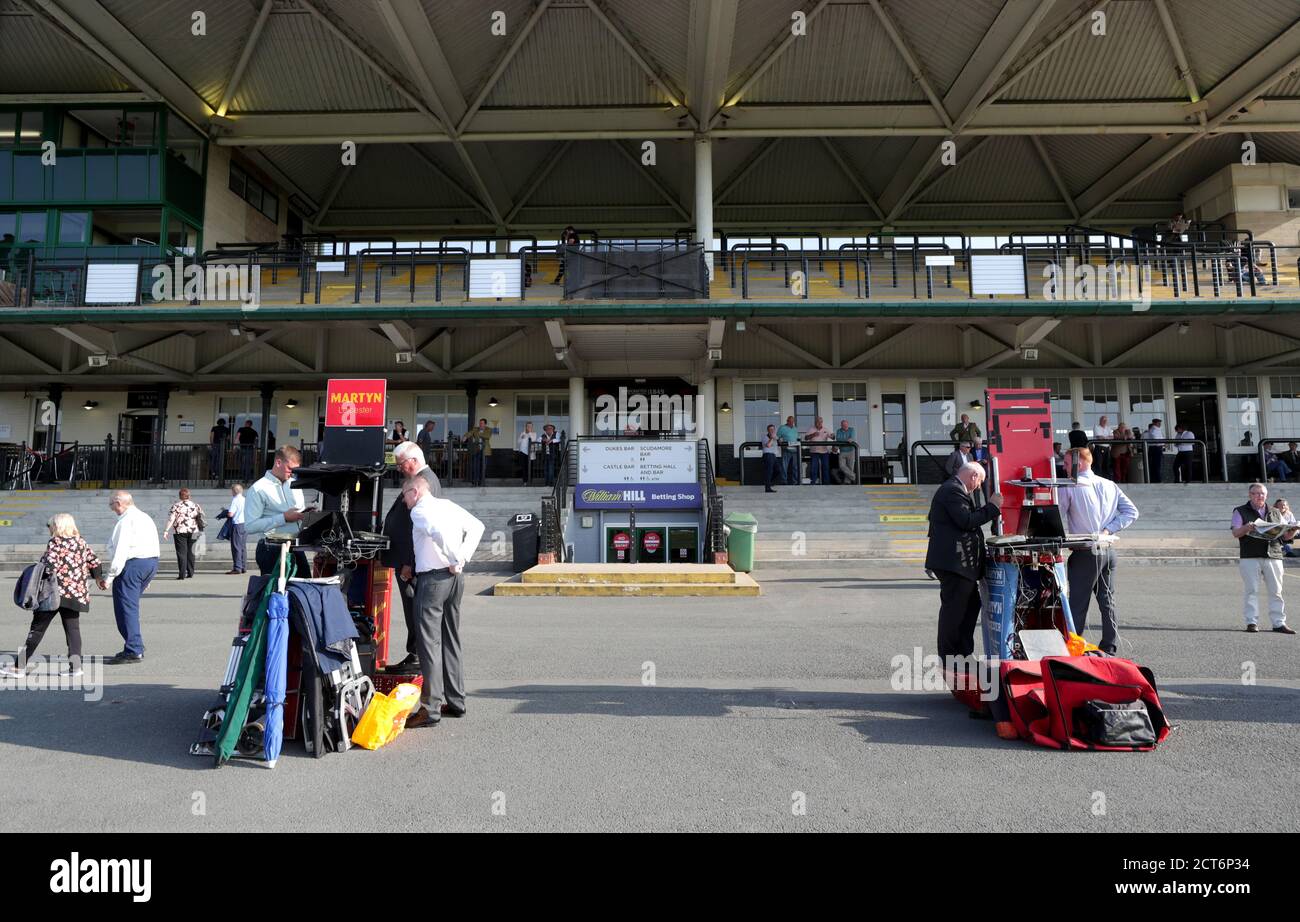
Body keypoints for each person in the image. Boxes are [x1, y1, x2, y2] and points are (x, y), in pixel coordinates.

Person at [402, 475, 485, 728]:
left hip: (434, 578)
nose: (404, 500)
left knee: (429, 642)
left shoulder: (418, 511)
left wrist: (453, 558)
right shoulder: (448, 504)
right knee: (451, 637)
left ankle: (431, 707)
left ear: (414, 492)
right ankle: (457, 700)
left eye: (404, 494)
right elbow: (477, 526)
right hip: (455, 578)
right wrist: (461, 559)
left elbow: (436, 533)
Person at [1056, 447, 1139, 654]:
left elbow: (1057, 516)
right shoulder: (1109, 484)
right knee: (1107, 601)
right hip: (1108, 549)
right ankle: (1109, 645)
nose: (1064, 467)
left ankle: (1072, 647)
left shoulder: (1071, 485)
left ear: (1079, 463)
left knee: (1077, 603)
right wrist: (1108, 528)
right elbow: (1132, 512)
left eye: (1067, 463)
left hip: (1085, 551)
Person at [0, 513, 101, 679]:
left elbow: (49, 566)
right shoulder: (81, 542)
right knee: (73, 630)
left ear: (57, 526)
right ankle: (76, 668)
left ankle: (19, 668)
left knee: (37, 629)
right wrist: (98, 579)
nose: (49, 528)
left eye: (51, 525)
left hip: (53, 593)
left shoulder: (56, 542)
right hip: (76, 594)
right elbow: (94, 562)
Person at [925, 462, 1003, 661]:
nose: (978, 487)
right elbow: (966, 520)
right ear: (974, 476)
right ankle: (952, 656)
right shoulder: (952, 490)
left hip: (958, 564)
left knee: (969, 607)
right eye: (980, 482)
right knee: (956, 612)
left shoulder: (953, 489)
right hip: (955, 564)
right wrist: (992, 507)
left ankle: (962, 654)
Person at [381, 441, 444, 674]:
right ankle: (415, 652)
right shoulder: (419, 480)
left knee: (415, 608)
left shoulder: (425, 482)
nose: (398, 469)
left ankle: (417, 654)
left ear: (414, 461)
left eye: (401, 464)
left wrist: (409, 563)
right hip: (408, 559)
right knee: (412, 608)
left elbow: (416, 529)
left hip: (412, 562)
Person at [1230, 483, 1297, 634]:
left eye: (1262, 494)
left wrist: (1292, 531)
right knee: (1251, 590)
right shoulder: (1240, 511)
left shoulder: (1275, 511)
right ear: (1250, 495)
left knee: (1276, 591)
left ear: (1266, 496)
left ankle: (1279, 623)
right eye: (1256, 493)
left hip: (1273, 555)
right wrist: (1246, 528)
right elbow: (1235, 533)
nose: (1259, 496)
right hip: (1250, 555)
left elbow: (1285, 536)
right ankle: (1252, 622)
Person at [101, 491, 159, 665]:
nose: (112, 509)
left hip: (132, 564)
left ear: (119, 503)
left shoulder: (126, 521)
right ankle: (135, 644)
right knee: (130, 606)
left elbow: (120, 552)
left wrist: (109, 577)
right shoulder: (145, 517)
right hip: (150, 562)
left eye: (111, 505)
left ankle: (134, 648)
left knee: (125, 608)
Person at [244, 446, 310, 576]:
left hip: (295, 546)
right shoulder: (258, 489)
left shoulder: (295, 485)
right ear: (278, 462)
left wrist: (307, 514)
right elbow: (250, 526)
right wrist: (284, 517)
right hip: (271, 548)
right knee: (275, 592)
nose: (292, 473)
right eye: (290, 469)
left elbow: (298, 513)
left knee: (305, 590)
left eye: (295, 470)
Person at [162, 487, 203, 580]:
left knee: (181, 553)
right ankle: (191, 572)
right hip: (194, 531)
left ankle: (182, 574)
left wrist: (166, 530)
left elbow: (171, 519)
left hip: (180, 531)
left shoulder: (176, 506)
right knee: (191, 552)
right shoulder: (196, 505)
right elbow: (200, 517)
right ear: (189, 496)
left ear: (180, 496)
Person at [220, 483, 247, 575]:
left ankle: (237, 567)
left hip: (237, 524)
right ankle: (243, 566)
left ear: (233, 491)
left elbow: (231, 514)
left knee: (236, 546)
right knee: (243, 546)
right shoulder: (245, 499)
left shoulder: (235, 500)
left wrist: (225, 512)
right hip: (245, 524)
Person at [803, 417, 833, 485]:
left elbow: (832, 437)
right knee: (814, 468)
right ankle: (813, 482)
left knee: (825, 467)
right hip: (814, 452)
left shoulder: (826, 429)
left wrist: (833, 436)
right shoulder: (811, 429)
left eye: (820, 422)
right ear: (815, 422)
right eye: (817, 422)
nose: (819, 423)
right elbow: (806, 438)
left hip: (824, 452)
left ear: (822, 422)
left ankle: (826, 483)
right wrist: (813, 435)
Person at [466, 418, 492, 487]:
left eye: (482, 423)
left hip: (485, 451)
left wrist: (479, 433)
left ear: (485, 424)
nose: (480, 424)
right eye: (480, 423)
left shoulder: (488, 429)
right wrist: (465, 436)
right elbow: (470, 433)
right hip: (477, 450)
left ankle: (481, 481)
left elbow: (487, 436)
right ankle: (475, 481)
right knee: (475, 466)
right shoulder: (476, 429)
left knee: (483, 467)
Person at [776, 415, 800, 485]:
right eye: (790, 421)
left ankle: (795, 482)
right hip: (786, 449)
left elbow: (797, 438)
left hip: (795, 450)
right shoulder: (782, 428)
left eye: (793, 421)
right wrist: (779, 440)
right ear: (787, 421)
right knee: (784, 467)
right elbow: (777, 437)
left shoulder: (795, 428)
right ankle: (784, 481)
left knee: (795, 467)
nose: (792, 423)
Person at [835, 419, 858, 485]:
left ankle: (847, 482)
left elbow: (852, 438)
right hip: (842, 451)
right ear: (841, 425)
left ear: (848, 425)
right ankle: (854, 476)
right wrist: (847, 440)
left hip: (851, 451)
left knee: (850, 467)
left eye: (846, 425)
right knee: (842, 466)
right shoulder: (838, 431)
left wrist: (846, 440)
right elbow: (838, 439)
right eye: (843, 425)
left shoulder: (852, 429)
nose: (845, 426)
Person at [762, 424, 783, 493]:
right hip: (768, 455)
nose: (772, 431)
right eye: (770, 429)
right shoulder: (765, 437)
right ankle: (767, 488)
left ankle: (769, 482)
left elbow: (780, 442)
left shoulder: (775, 436)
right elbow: (768, 445)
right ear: (768, 430)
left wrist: (778, 439)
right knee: (769, 472)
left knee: (778, 470)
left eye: (773, 429)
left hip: (773, 455)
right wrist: (772, 438)